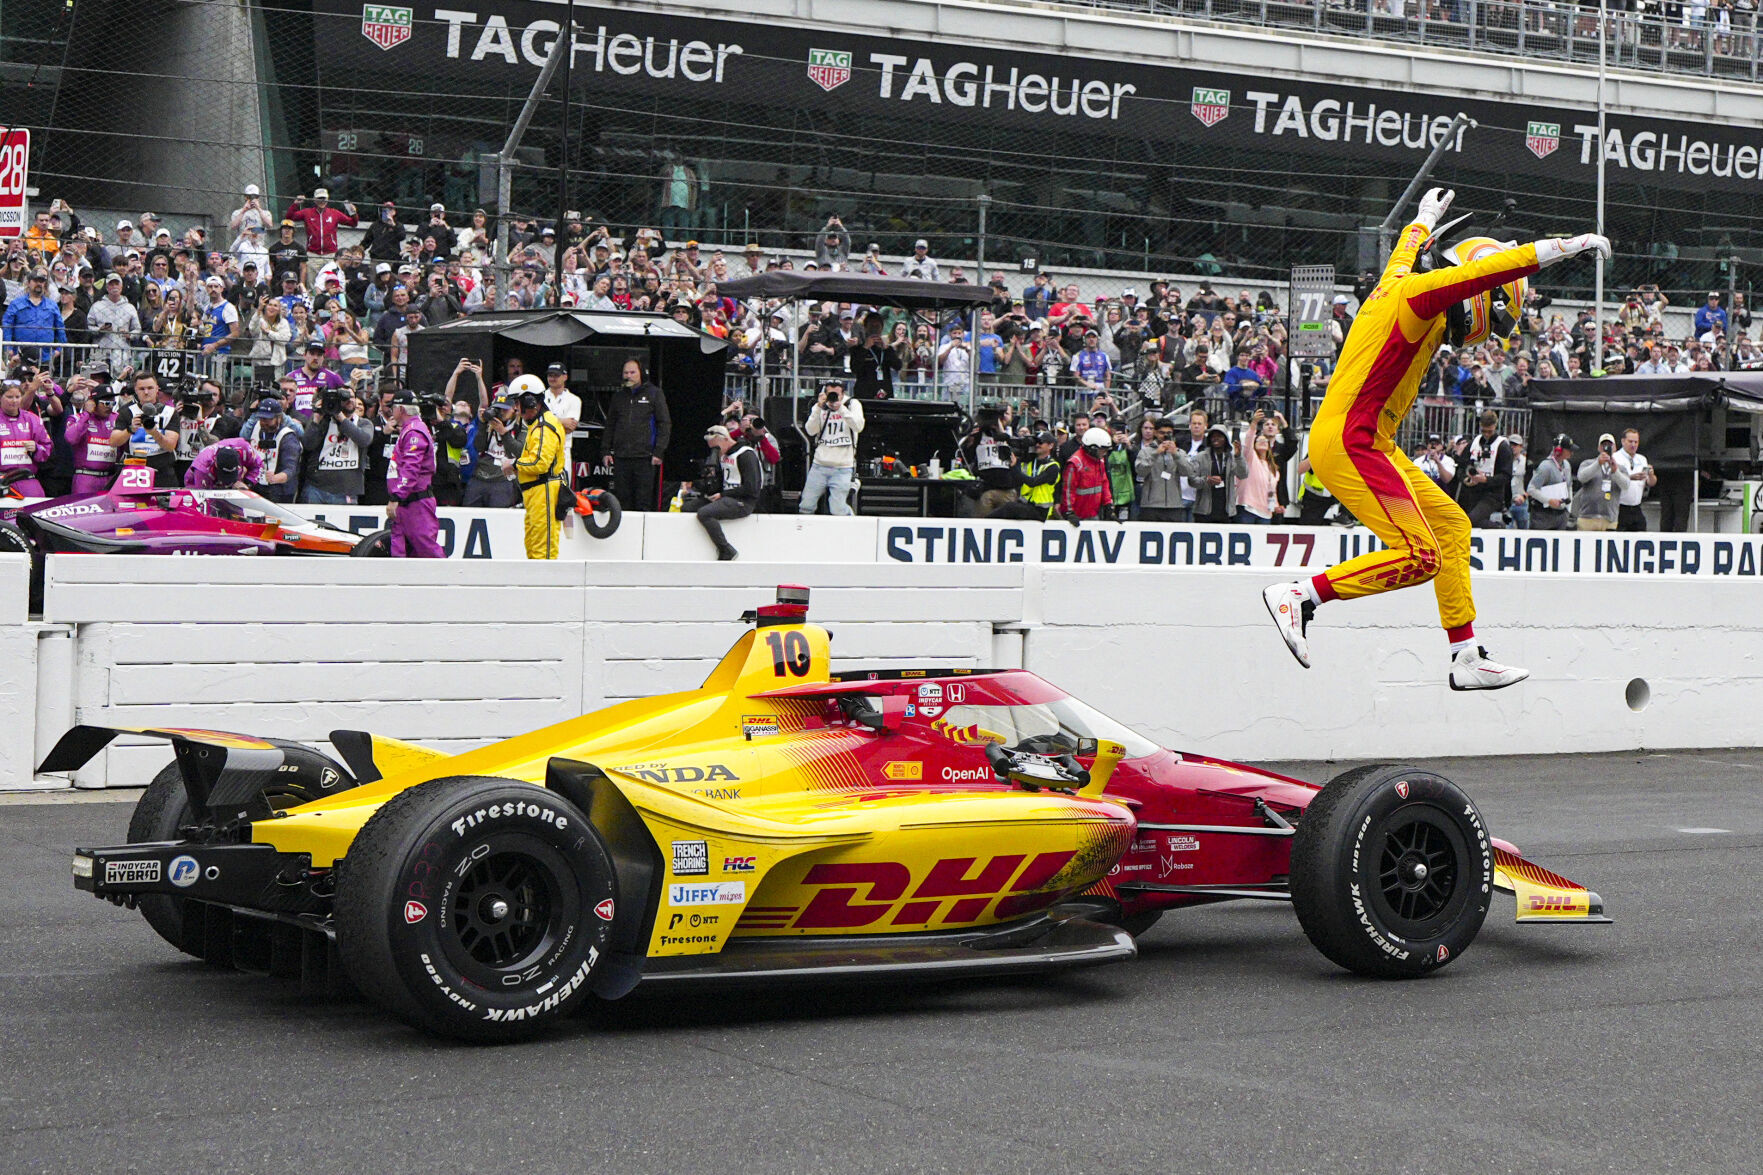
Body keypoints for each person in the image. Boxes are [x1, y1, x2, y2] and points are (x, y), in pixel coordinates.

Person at [1261, 186, 1609, 691]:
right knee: (1422, 554)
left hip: (1364, 440)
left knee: (1452, 527)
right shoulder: (1423, 296)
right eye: (1488, 320)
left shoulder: (1399, 281)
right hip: (1351, 440)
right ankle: (1303, 596)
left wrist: (1423, 215)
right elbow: (1485, 271)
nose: (1477, 334)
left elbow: (1406, 249)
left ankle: (1465, 654)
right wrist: (1568, 246)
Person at [512, 375, 568, 559]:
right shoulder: (537, 425)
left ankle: (546, 586)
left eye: (517, 403)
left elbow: (540, 463)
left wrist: (514, 464)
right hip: (536, 494)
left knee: (542, 549)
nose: (515, 409)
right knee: (533, 545)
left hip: (544, 492)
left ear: (529, 402)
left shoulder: (544, 426)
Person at [605, 357, 669, 511]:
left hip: (645, 458)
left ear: (641, 373)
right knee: (622, 500)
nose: (629, 376)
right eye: (626, 372)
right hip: (621, 457)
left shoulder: (654, 393)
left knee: (643, 501)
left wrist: (659, 451)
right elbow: (610, 425)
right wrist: (605, 450)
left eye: (633, 372)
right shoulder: (618, 397)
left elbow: (664, 423)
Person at [384, 389, 441, 557]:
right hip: (407, 502)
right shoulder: (411, 429)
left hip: (415, 502)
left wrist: (396, 497)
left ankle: (447, 581)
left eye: (393, 407)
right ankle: (399, 582)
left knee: (426, 548)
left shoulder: (414, 431)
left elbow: (411, 468)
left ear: (401, 409)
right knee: (400, 550)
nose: (390, 411)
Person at [695, 425, 762, 560]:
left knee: (704, 513)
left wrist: (723, 495)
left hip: (743, 501)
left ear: (725, 440)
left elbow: (752, 488)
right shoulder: (724, 456)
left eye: (716, 448)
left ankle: (725, 549)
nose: (715, 452)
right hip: (726, 497)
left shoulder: (745, 455)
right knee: (687, 507)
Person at [800, 379, 863, 515]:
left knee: (837, 508)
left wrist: (841, 408)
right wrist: (818, 407)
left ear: (843, 394)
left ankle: (851, 524)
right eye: (830, 394)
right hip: (819, 465)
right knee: (806, 505)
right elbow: (810, 431)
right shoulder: (820, 406)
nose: (833, 398)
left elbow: (858, 426)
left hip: (843, 466)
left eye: (837, 394)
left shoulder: (852, 404)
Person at [64, 379, 127, 494]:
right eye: (106, 403)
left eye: (113, 403)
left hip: (110, 477)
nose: (110, 407)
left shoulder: (117, 419)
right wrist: (87, 414)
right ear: (94, 403)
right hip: (86, 478)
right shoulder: (78, 418)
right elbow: (71, 438)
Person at [465, 391, 524, 508]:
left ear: (514, 409)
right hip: (481, 475)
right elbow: (478, 447)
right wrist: (482, 426)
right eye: (498, 409)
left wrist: (503, 433)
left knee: (499, 516)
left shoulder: (521, 426)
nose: (501, 413)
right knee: (469, 511)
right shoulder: (488, 424)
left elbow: (519, 452)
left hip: (504, 478)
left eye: (505, 409)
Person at [240, 395, 303, 503]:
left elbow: (290, 468)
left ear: (279, 418)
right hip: (257, 486)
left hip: (280, 491)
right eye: (261, 418)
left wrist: (276, 478)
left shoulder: (288, 437)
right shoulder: (255, 429)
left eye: (268, 419)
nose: (264, 422)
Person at [0, 380, 52, 497]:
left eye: (17, 397)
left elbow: (47, 449)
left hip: (28, 480)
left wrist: (36, 448)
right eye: (9, 397)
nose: (14, 401)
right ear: (0, 397)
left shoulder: (32, 419)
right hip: (2, 481)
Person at [1135, 418, 1192, 522]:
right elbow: (1140, 471)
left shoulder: (1179, 452)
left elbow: (1188, 472)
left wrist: (1175, 454)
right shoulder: (1145, 452)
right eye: (1162, 433)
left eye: (1168, 433)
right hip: (1151, 505)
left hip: (1174, 505)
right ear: (1155, 433)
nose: (1165, 436)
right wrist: (1156, 453)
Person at [1187, 424, 1245, 523]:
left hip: (1226, 511)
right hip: (1204, 511)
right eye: (1213, 436)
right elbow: (1192, 481)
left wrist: (1239, 457)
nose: (1216, 439)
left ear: (1225, 439)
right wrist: (1206, 480)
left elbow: (1243, 474)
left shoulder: (1231, 457)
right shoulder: (1200, 457)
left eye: (1219, 436)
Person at [1573, 432, 1629, 531]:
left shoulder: (1621, 468)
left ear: (1615, 448)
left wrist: (1615, 471)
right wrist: (1597, 463)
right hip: (1587, 517)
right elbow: (1582, 477)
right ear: (1599, 448)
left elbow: (1626, 486)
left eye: (1609, 445)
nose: (1606, 448)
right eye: (1604, 445)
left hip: (1609, 519)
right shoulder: (1587, 463)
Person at [1058, 426, 1112, 523]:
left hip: (1093, 513)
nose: (1104, 453)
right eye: (1102, 450)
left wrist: (1108, 505)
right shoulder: (1076, 463)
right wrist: (1069, 512)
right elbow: (1069, 490)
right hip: (1076, 516)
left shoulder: (1099, 461)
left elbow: (1104, 484)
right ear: (1093, 448)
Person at [1613, 427, 1656, 531]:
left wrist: (1650, 475)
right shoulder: (1615, 458)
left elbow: (1651, 483)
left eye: (1636, 442)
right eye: (1630, 441)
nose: (1633, 445)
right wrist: (1631, 478)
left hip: (1636, 507)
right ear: (1623, 441)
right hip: (1620, 507)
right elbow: (1612, 480)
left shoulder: (1642, 459)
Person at [184, 437, 263, 489]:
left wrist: (247, 484)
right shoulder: (203, 467)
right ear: (216, 463)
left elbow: (259, 466)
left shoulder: (244, 449)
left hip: (237, 481)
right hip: (199, 481)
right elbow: (202, 498)